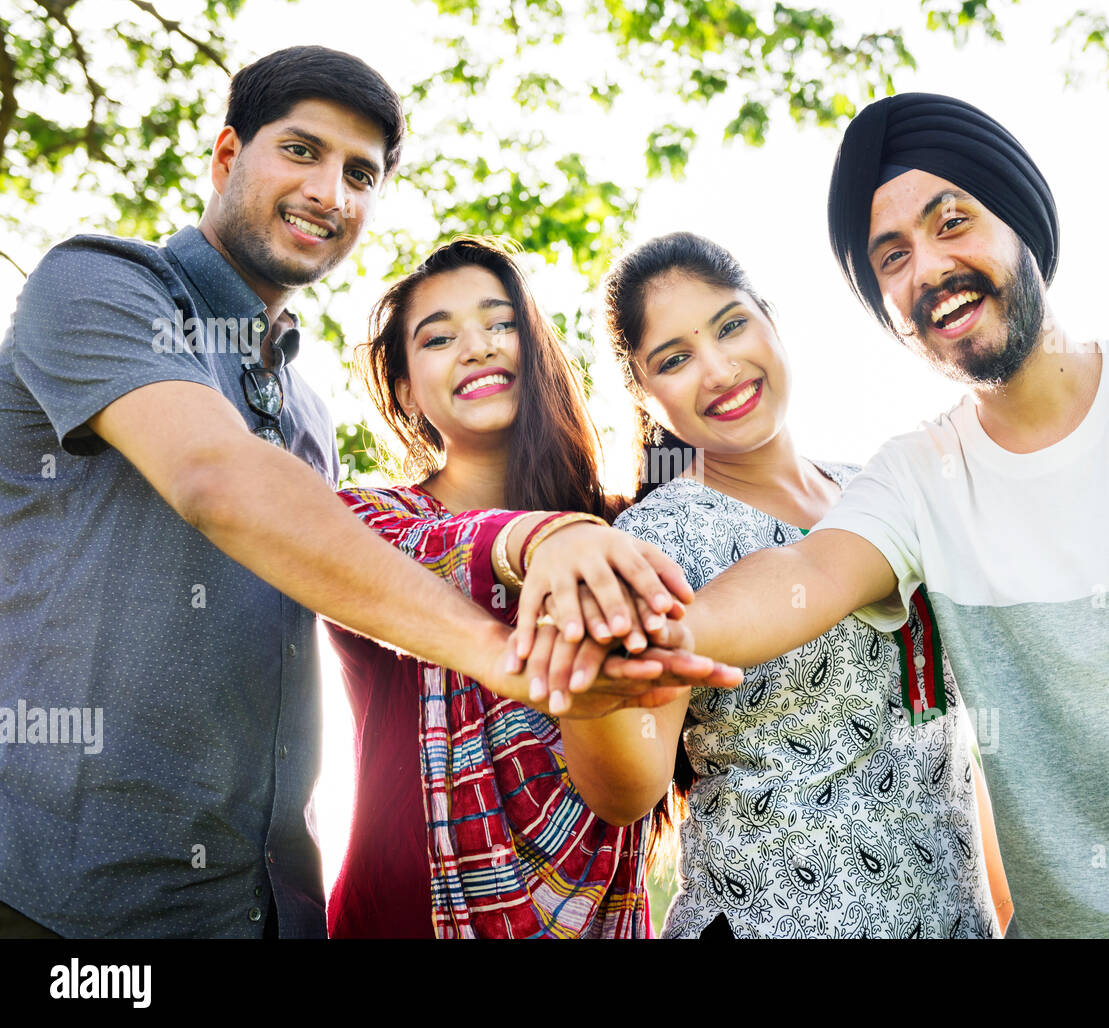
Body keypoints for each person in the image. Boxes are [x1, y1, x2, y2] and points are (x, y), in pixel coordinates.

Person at [531, 92, 1109, 938]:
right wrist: (618, 635)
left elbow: (951, 758)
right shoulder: (914, 478)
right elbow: (802, 574)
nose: (928, 269)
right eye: (891, 257)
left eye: (952, 221)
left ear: (1021, 218)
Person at [0, 46, 703, 940]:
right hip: (60, 905)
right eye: (302, 151)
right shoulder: (99, 284)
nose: (330, 192)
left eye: (359, 173)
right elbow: (218, 481)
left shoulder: (304, 413)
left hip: (259, 911)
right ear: (226, 158)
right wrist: (512, 649)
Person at [547, 230, 1010, 938]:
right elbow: (629, 789)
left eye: (731, 325)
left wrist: (1001, 913)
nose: (719, 368)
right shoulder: (652, 545)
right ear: (646, 394)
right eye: (675, 358)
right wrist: (587, 689)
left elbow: (941, 744)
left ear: (769, 317)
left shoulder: (875, 492)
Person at [324, 237, 737, 938]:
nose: (477, 347)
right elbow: (409, 553)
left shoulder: (624, 531)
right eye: (439, 338)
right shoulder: (365, 521)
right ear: (405, 390)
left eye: (500, 322)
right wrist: (543, 540)